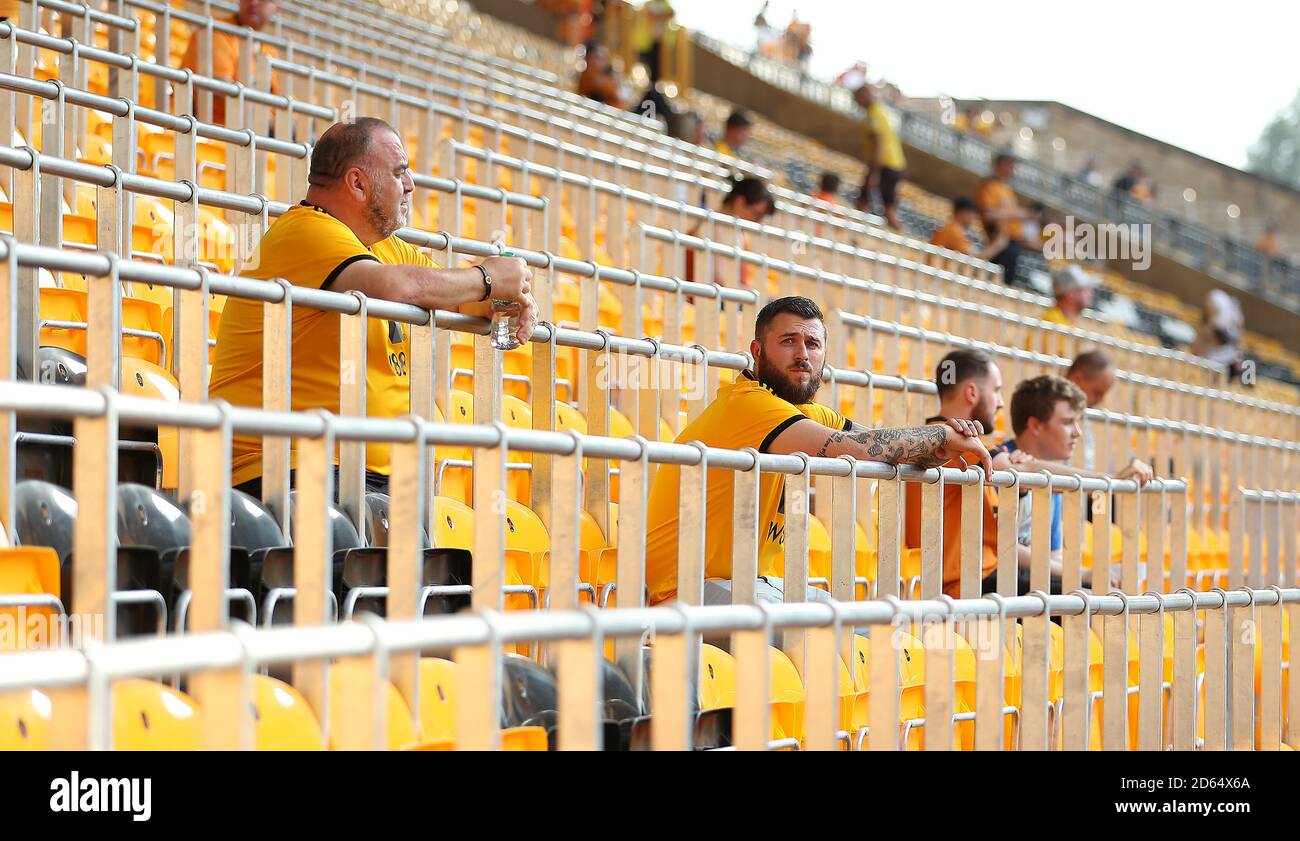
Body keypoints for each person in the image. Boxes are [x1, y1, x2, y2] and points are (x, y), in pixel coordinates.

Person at [209, 118, 538, 497]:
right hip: (289, 470)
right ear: (358, 183)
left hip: (368, 477)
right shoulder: (303, 232)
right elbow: (397, 290)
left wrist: (507, 301)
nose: (411, 186)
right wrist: (487, 277)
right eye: (400, 173)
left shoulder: (385, 247)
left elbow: (461, 298)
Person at [643, 297, 992, 608]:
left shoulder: (804, 414)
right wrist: (941, 432)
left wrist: (943, 446)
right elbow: (858, 449)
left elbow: (885, 446)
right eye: (788, 342)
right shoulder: (748, 404)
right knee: (818, 641)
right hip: (684, 592)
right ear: (758, 350)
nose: (802, 355)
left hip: (746, 586)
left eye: (812, 344)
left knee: (861, 628)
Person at [991, 376, 1126, 591]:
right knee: (1096, 600)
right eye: (1067, 422)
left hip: (1031, 585)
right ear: (1035, 425)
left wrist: (1091, 575)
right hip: (994, 587)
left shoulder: (1056, 479)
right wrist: (1082, 574)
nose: (1077, 432)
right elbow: (998, 548)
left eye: (1077, 422)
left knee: (1111, 594)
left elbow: (1054, 556)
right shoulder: (996, 466)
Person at [179, 0, 280, 126]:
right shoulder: (216, 30)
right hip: (207, 129)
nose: (253, 2)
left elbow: (275, 101)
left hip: (246, 132)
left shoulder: (271, 51)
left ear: (277, 8)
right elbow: (222, 87)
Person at [684, 177, 774, 290]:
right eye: (756, 213)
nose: (758, 221)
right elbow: (717, 281)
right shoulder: (711, 226)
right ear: (739, 202)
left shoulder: (739, 233)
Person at [974, 152, 1032, 285]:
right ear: (1000, 165)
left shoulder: (1006, 189)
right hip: (1000, 241)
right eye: (1010, 165)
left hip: (1011, 242)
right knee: (996, 283)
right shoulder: (989, 186)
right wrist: (1016, 214)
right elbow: (988, 215)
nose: (1013, 169)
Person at [853, 83, 906, 230]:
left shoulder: (874, 113)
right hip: (890, 163)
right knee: (864, 199)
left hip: (886, 164)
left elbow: (878, 143)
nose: (856, 102)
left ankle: (899, 237)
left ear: (863, 95)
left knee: (888, 207)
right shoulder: (879, 111)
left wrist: (875, 172)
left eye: (857, 98)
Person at [1031, 264, 1100, 357]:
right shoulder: (1054, 325)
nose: (1090, 294)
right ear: (1071, 295)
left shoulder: (1060, 321)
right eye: (1085, 290)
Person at [929, 197, 1009, 260]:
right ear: (963, 213)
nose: (975, 217)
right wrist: (997, 245)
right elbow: (974, 259)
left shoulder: (952, 228)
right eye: (973, 213)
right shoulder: (954, 231)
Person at [1190, 289, 1245, 374]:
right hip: (1211, 362)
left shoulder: (1228, 324)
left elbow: (1239, 344)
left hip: (1221, 362)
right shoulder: (1208, 326)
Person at [633, 0, 674, 83]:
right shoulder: (648, 4)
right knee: (644, 67)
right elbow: (650, 14)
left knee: (656, 70)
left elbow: (671, 13)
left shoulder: (666, 4)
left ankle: (652, 90)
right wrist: (662, 15)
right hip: (645, 43)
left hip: (659, 42)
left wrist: (659, 14)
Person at [577, 40, 626, 109]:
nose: (604, 61)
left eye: (605, 58)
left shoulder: (603, 76)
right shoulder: (590, 77)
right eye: (598, 57)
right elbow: (616, 95)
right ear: (588, 58)